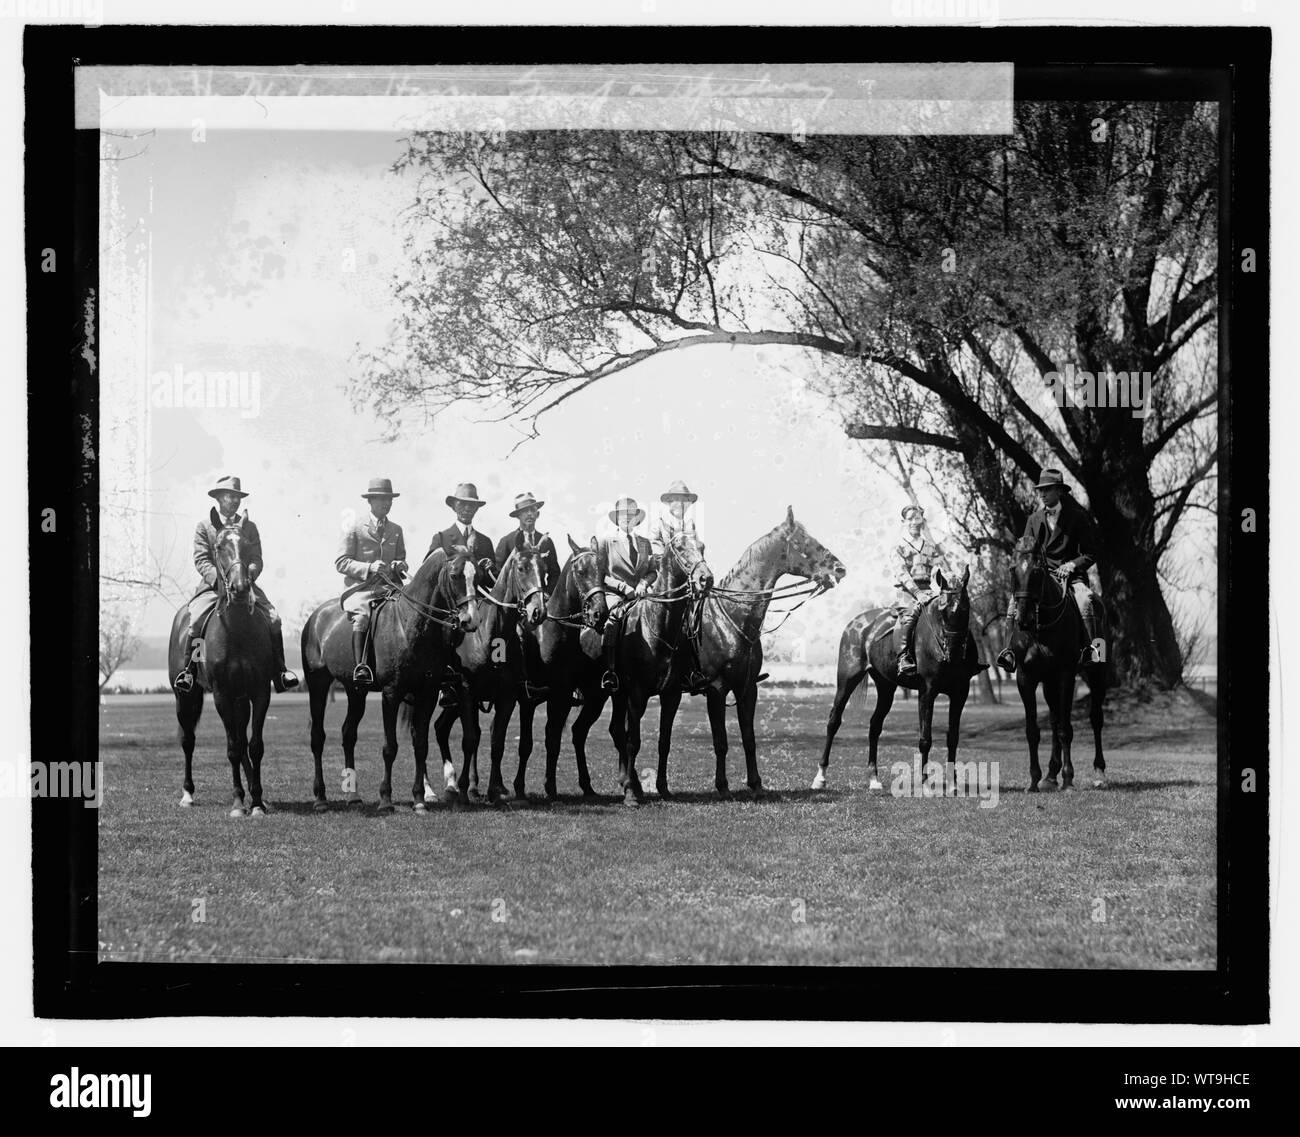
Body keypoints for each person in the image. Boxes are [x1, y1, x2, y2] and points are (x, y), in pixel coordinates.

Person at [173, 475, 299, 694]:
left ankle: (280, 670)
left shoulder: (249, 527)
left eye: (237, 497)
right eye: (230, 496)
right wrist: (219, 580)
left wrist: (248, 574)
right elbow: (201, 559)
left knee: (274, 618)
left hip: (245, 584)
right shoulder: (204, 526)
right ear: (219, 498)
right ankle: (190, 670)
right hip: (213, 587)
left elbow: (257, 559)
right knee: (195, 620)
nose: (234, 501)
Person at [997, 469, 1104, 671]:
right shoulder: (1033, 519)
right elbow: (1025, 552)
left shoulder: (1077, 517)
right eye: (1041, 490)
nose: (1043, 494)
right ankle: (1008, 653)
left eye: (1048, 490)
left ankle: (1094, 651)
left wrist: (1071, 565)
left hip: (1071, 578)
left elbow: (1090, 553)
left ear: (1059, 491)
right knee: (1013, 604)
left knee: (1087, 601)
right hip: (1040, 579)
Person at [335, 478, 408, 686]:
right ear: (371, 501)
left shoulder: (396, 529)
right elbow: (341, 562)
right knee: (363, 617)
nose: (386, 504)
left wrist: (399, 565)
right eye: (382, 499)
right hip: (360, 590)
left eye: (389, 500)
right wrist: (369, 568)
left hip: (390, 588)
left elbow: (402, 558)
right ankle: (361, 666)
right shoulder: (354, 527)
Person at [651, 479, 708, 693]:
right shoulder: (658, 525)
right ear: (670, 503)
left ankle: (693, 671)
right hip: (662, 584)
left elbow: (696, 553)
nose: (681, 505)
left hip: (687, 585)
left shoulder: (690, 526)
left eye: (685, 501)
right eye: (678, 501)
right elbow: (656, 557)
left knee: (696, 621)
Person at [598, 496, 657, 693]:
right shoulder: (606, 541)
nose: (627, 518)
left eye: (630, 515)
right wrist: (623, 588)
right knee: (612, 622)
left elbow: (653, 571)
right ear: (617, 518)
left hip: (640, 594)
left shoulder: (644, 543)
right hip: (615, 595)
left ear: (635, 519)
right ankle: (611, 671)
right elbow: (600, 575)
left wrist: (643, 583)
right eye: (623, 515)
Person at [894, 504, 951, 677]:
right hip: (907, 591)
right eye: (910, 518)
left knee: (952, 609)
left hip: (928, 589)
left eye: (917, 518)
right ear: (903, 522)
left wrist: (949, 579)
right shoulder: (899, 546)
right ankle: (903, 657)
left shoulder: (929, 546)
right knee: (911, 615)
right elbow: (901, 573)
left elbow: (938, 568)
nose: (914, 522)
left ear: (922, 520)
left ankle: (957, 656)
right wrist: (917, 593)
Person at [426, 481, 496, 579]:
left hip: (478, 594)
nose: (467, 509)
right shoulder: (441, 538)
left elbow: (492, 582)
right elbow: (428, 575)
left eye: (471, 505)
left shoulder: (485, 542)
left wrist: (490, 569)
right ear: (454, 507)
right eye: (462, 504)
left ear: (476, 509)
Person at [496, 492, 560, 595]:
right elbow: (499, 575)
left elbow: (555, 573)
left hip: (541, 600)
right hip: (516, 603)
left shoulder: (546, 542)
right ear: (518, 516)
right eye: (525, 511)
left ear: (537, 514)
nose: (529, 514)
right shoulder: (507, 541)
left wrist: (547, 593)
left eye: (533, 510)